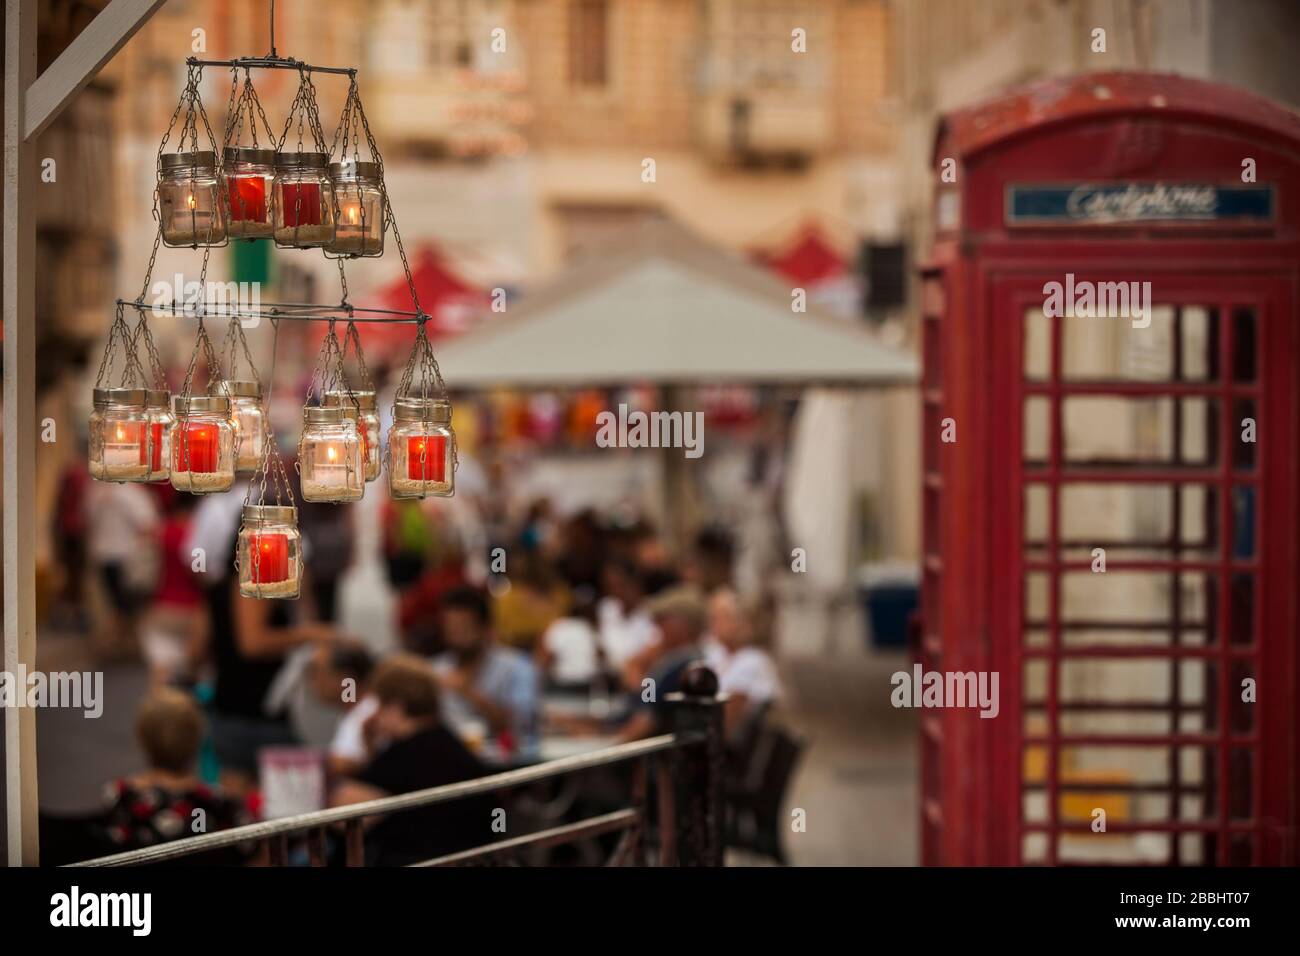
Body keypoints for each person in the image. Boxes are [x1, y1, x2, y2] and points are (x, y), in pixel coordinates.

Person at [330, 654, 493, 866]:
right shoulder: (452, 745)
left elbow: (341, 817)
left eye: (379, 704)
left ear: (396, 707)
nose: (375, 715)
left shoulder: (401, 756)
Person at [98, 688, 252, 856]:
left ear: (142, 739)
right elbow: (252, 852)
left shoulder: (119, 796)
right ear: (198, 739)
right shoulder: (218, 802)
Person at [433, 586, 539, 760]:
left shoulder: (517, 666)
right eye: (450, 626)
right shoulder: (435, 669)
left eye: (463, 626)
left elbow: (522, 726)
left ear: (485, 628)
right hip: (445, 762)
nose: (455, 633)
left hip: (502, 765)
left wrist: (468, 692)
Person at [613, 585, 706, 743]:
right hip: (618, 727)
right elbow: (643, 695)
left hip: (634, 749)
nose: (657, 626)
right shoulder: (669, 659)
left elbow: (645, 720)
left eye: (663, 619)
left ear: (683, 624)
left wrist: (605, 749)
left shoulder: (682, 666)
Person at [86, 480, 160, 659]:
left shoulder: (96, 492)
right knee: (130, 603)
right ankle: (126, 642)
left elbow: (87, 521)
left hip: (103, 554)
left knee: (113, 602)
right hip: (127, 556)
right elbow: (148, 525)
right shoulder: (133, 493)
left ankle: (117, 642)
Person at [140, 494, 206, 687]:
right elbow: (199, 572)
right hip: (193, 610)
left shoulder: (161, 531)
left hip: (162, 606)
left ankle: (160, 711)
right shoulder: (196, 534)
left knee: (160, 669)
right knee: (192, 670)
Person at [702, 588, 781, 740]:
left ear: (740, 622)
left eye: (720, 618)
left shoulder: (753, 661)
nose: (713, 625)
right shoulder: (716, 654)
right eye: (712, 618)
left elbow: (726, 723)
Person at [308, 641, 378, 777]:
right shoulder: (352, 713)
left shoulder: (371, 714)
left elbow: (352, 765)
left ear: (346, 679)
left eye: (316, 671)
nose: (312, 681)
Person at [596, 558, 657, 684]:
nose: (616, 592)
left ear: (635, 583)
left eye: (620, 585)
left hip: (642, 681)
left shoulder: (652, 613)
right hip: (607, 681)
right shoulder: (606, 608)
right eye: (610, 587)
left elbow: (648, 656)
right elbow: (601, 649)